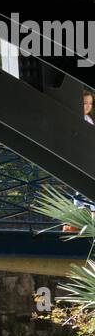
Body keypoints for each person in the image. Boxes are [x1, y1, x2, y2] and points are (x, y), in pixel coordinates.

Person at [65, 90, 95, 232]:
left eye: (90, 103)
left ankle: (76, 223)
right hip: (81, 158)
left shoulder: (88, 119)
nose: (88, 106)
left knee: (83, 189)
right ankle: (75, 223)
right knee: (83, 188)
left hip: (87, 157)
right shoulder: (77, 118)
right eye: (84, 103)